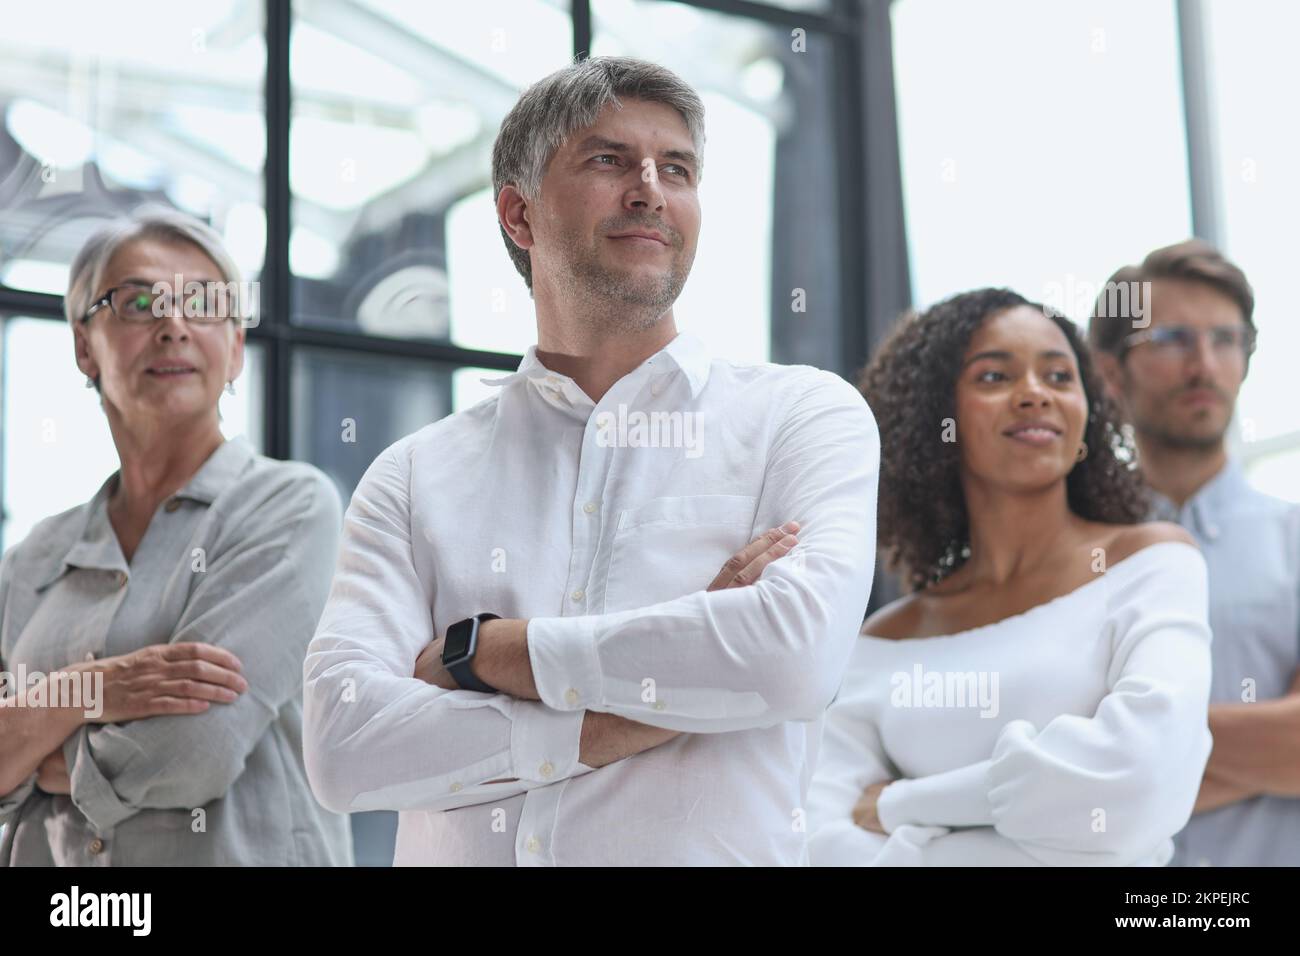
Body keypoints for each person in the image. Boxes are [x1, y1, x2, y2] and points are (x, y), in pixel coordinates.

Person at [302, 56, 879, 866]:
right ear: (517, 214)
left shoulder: (801, 417)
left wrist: (486, 654)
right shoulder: (411, 475)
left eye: (676, 168)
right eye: (609, 160)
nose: (650, 188)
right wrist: (661, 692)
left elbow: (790, 659)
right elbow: (345, 749)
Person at [807, 288, 1212, 865]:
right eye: (995, 377)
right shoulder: (877, 643)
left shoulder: (1150, 563)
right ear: (936, 415)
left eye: (1058, 376)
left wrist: (903, 805)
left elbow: (1141, 778)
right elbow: (823, 843)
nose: (1034, 395)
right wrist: (1032, 817)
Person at [0, 207, 352, 865]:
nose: (173, 326)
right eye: (138, 303)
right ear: (84, 345)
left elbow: (197, 753)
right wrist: (97, 688)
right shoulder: (30, 562)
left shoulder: (288, 506)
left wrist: (36, 736)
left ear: (237, 346)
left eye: (204, 303)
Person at [1089, 240, 1300, 866]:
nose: (1204, 364)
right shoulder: (1067, 558)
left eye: (1227, 339)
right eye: (1174, 338)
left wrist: (1116, 749)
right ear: (1109, 372)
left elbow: (1066, 762)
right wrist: (1268, 751)